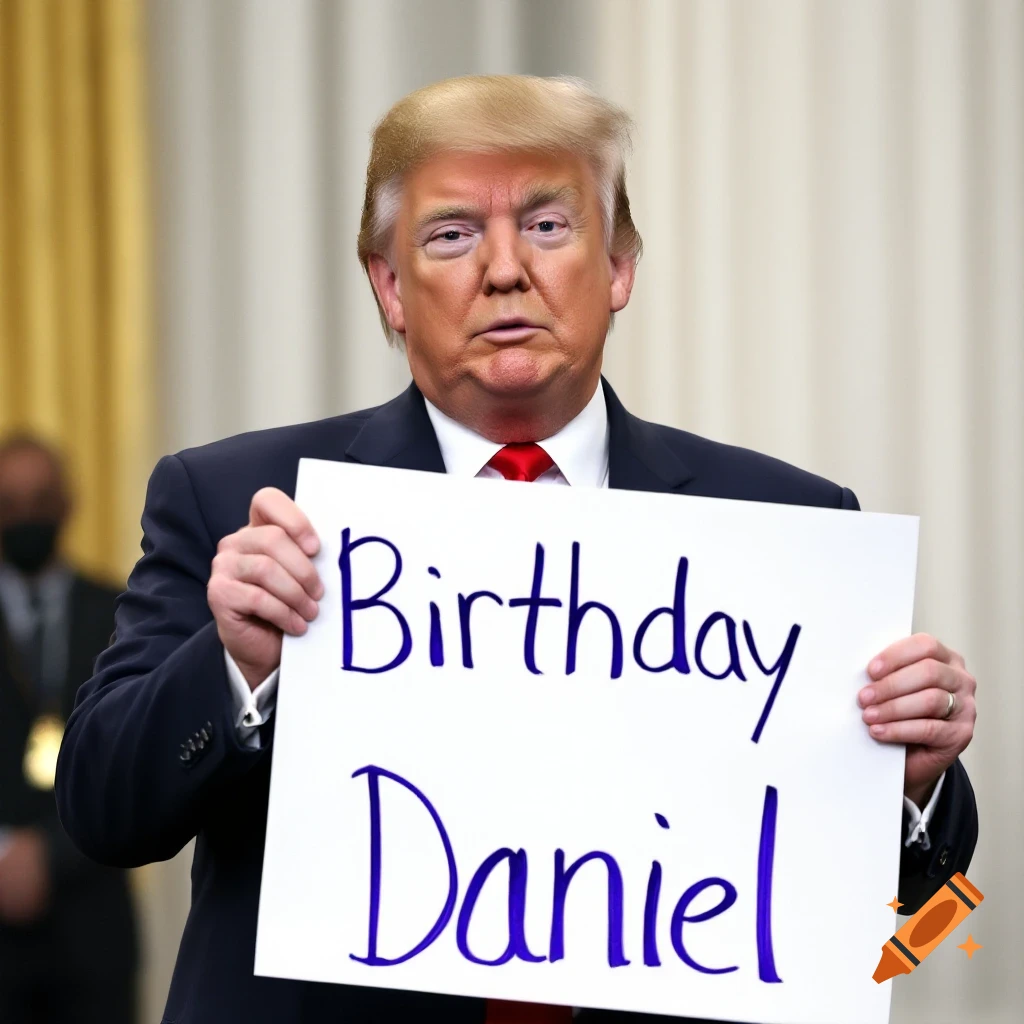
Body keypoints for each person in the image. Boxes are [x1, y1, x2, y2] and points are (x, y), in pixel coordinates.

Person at [55, 76, 977, 1024]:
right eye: (452, 235)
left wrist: (910, 787)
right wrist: (236, 663)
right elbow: (101, 814)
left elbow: (919, 922)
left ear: (618, 266)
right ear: (389, 286)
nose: (504, 270)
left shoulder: (790, 526)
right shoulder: (241, 504)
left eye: (547, 225)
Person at [0, 435, 138, 1024]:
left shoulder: (124, 612)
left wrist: (49, 857)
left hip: (93, 930)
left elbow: (135, 763)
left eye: (40, 500)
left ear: (67, 504)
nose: (26, 518)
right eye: (9, 504)